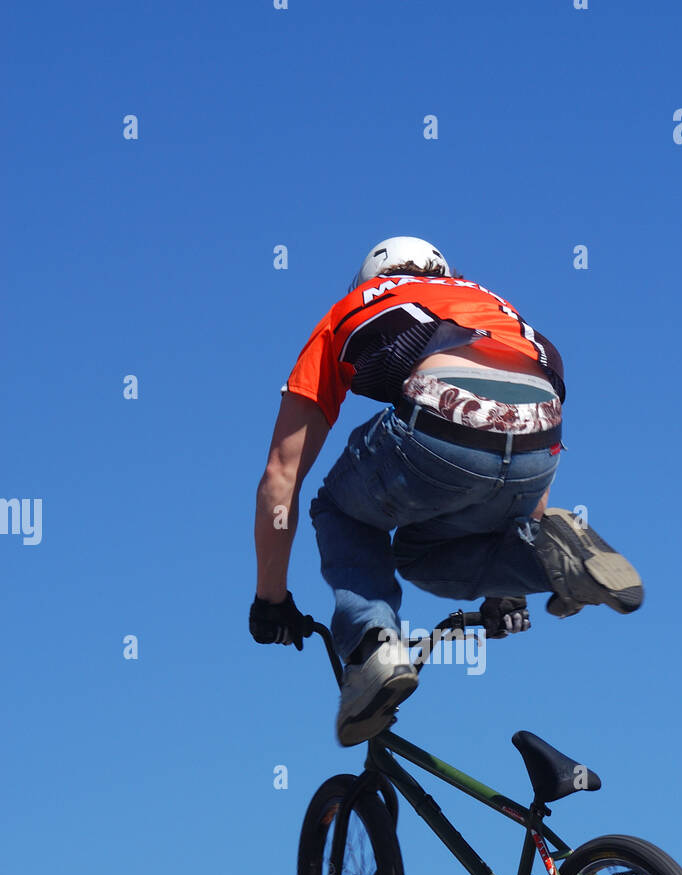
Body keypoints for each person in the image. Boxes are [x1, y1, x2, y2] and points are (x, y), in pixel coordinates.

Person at [250, 236, 642, 745]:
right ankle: (551, 563)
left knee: (340, 510)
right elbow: (515, 433)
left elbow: (282, 474)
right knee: (420, 559)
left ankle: (373, 648)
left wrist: (271, 599)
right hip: (541, 434)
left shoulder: (352, 308)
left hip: (445, 414)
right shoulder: (491, 303)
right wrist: (509, 583)